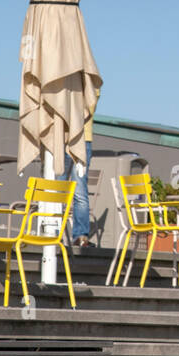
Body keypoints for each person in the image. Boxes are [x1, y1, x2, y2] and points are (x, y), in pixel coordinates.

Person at [66, 104, 95, 250]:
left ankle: (80, 235)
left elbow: (90, 104)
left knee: (77, 190)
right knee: (68, 190)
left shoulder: (88, 81)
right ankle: (78, 236)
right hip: (66, 137)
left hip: (78, 137)